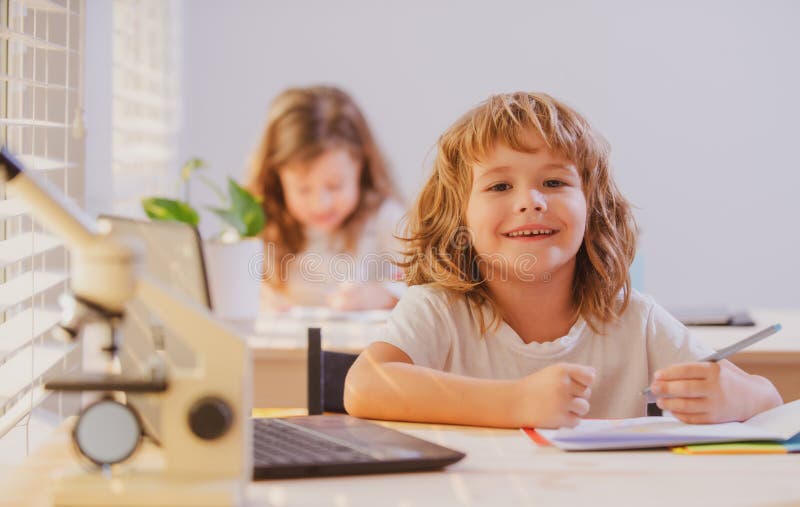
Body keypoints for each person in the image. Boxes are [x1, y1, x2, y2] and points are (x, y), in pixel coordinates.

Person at [344, 91, 782, 428]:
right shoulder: (439, 310)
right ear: (457, 215)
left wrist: (737, 396)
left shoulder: (635, 320)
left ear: (592, 206)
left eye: (554, 182)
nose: (530, 201)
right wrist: (518, 403)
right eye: (499, 187)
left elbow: (769, 400)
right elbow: (364, 386)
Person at [246, 85, 405, 311]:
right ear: (276, 178)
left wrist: (384, 296)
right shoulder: (263, 224)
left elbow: (433, 282)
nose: (320, 204)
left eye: (335, 186)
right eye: (303, 189)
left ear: (361, 166)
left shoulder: (383, 219)